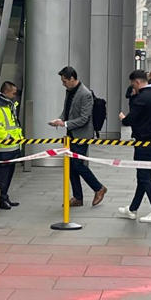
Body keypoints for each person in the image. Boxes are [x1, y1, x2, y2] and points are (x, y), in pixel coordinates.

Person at [49, 67, 107, 207]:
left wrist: (65, 123)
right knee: (70, 165)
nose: (63, 83)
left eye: (64, 81)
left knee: (77, 164)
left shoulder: (85, 94)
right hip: (71, 134)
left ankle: (98, 188)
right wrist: (59, 120)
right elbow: (67, 111)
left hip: (82, 135)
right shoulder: (69, 91)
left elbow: (84, 118)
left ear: (72, 79)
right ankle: (78, 197)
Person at [116, 69, 151, 223]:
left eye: (133, 84)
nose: (133, 87)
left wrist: (122, 117)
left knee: (144, 177)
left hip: (144, 142)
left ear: (137, 82)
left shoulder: (141, 98)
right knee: (142, 176)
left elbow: (130, 120)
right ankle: (132, 209)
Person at [0, 81, 24, 209]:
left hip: (13, 146)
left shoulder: (9, 105)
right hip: (4, 147)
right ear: (6, 92)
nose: (15, 95)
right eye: (13, 93)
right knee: (2, 175)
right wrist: (9, 138)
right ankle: (1, 199)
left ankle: (5, 196)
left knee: (9, 174)